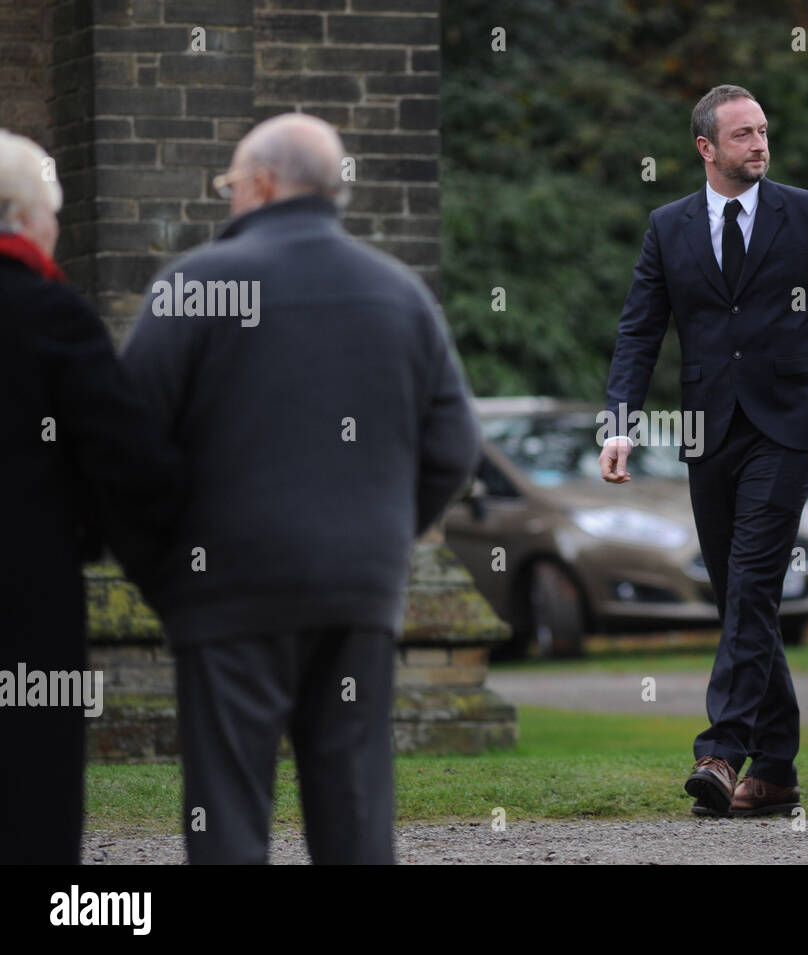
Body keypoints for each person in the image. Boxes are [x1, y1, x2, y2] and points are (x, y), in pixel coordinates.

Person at [121, 113, 480, 863]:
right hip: (357, 589)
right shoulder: (400, 294)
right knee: (353, 810)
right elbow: (453, 445)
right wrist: (380, 537)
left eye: (229, 184)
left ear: (258, 183)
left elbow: (127, 449)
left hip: (226, 589)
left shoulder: (192, 288)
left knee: (227, 811)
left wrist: (164, 571)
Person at [601, 85, 808, 818]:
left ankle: (721, 749)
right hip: (706, 432)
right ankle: (775, 771)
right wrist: (619, 422)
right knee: (738, 593)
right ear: (706, 148)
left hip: (789, 428)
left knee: (749, 581)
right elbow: (639, 331)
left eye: (765, 132)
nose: (760, 144)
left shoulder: (806, 213)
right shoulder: (667, 225)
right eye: (743, 134)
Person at [0, 130, 183, 863]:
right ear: (21, 214)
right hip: (25, 594)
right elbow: (130, 461)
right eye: (54, 213)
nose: (57, 229)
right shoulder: (48, 314)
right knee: (30, 791)